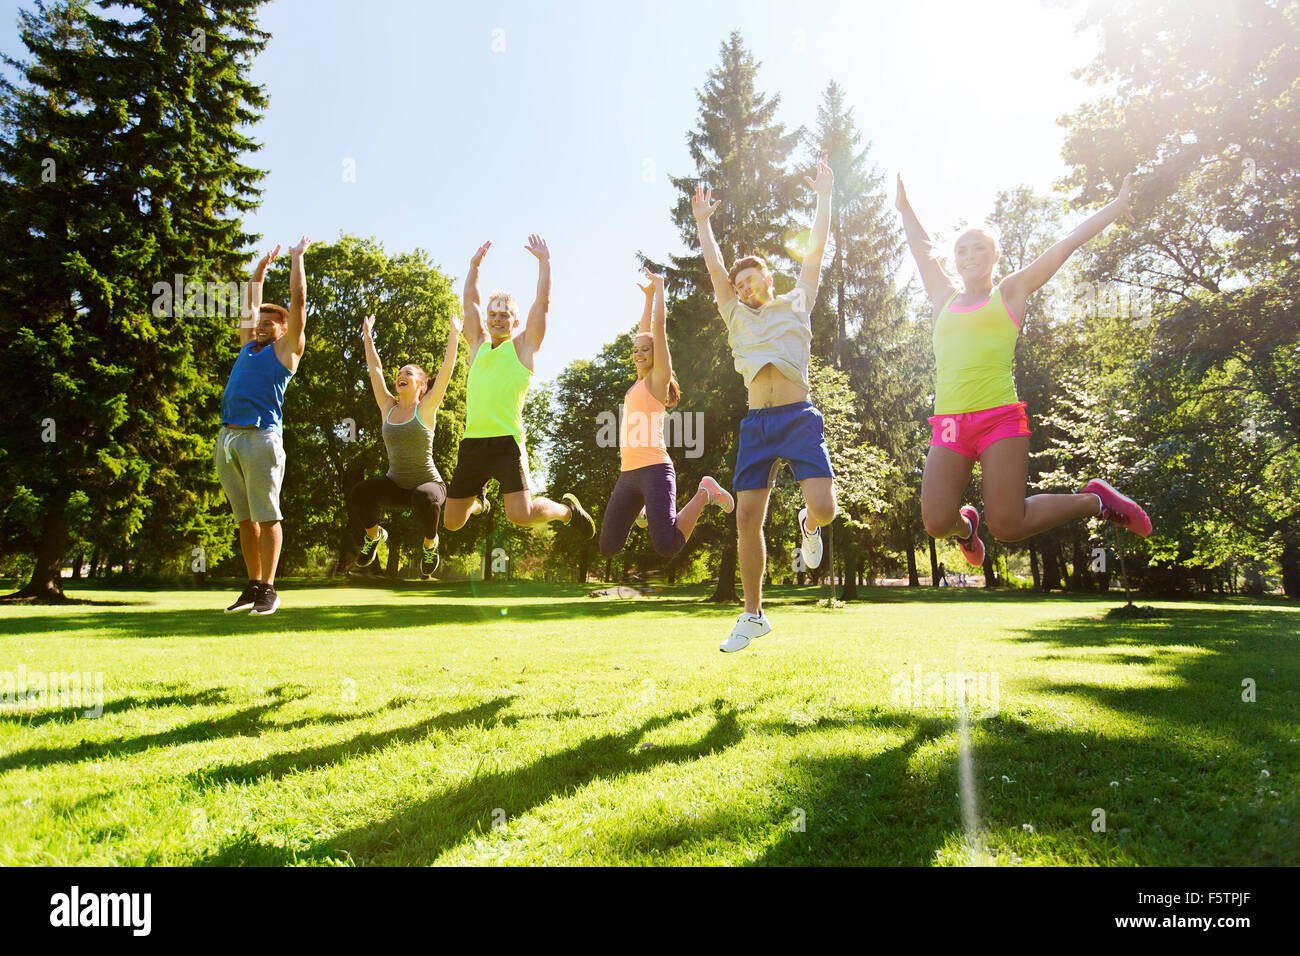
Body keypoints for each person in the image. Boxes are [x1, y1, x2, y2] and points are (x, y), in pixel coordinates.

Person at [896, 173, 1152, 569]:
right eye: (961, 250)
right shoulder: (942, 296)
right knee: (935, 522)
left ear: (995, 256)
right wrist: (905, 208)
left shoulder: (1011, 292)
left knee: (1008, 525)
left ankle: (1095, 500)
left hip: (999, 418)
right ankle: (966, 529)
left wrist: (1115, 208)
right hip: (949, 423)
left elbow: (1065, 244)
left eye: (978, 248)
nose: (968, 255)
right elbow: (920, 247)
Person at [693, 160, 837, 652]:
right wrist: (703, 224)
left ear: (769, 280)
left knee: (825, 508)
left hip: (798, 419)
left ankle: (808, 523)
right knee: (746, 519)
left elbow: (815, 253)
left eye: (754, 280)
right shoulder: (734, 314)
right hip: (757, 424)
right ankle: (753, 614)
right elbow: (714, 268)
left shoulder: (798, 302)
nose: (746, 287)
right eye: (740, 284)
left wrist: (823, 197)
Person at [442, 237, 595, 539]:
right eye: (493, 314)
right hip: (472, 443)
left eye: (504, 315)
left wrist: (544, 263)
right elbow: (471, 303)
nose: (497, 319)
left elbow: (543, 304)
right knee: (451, 522)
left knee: (520, 515)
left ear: (514, 321)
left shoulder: (524, 348)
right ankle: (479, 502)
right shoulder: (477, 346)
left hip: (506, 443)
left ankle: (567, 511)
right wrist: (473, 267)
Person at [598, 267, 734, 561]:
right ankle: (645, 507)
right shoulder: (637, 381)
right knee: (608, 546)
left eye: (645, 350)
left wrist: (660, 288)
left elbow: (657, 328)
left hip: (656, 471)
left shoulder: (657, 380)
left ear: (657, 352)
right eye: (635, 350)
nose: (638, 354)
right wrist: (647, 298)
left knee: (667, 545)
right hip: (628, 475)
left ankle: (705, 492)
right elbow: (645, 331)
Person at [215, 236, 311, 615]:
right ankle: (253, 585)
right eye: (258, 322)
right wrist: (259, 269)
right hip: (228, 439)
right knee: (244, 519)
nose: (259, 325)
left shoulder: (286, 351)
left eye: (269, 323)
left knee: (267, 514)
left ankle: (269, 589)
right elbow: (248, 304)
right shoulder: (246, 347)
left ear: (283, 329)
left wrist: (296, 259)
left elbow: (299, 303)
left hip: (261, 437)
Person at [345, 310, 459, 577]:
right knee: (359, 493)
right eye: (398, 374)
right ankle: (373, 537)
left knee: (424, 497)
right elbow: (375, 369)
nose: (400, 376)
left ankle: (430, 545)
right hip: (395, 485)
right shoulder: (388, 407)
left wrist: (454, 335)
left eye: (407, 373)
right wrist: (367, 337)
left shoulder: (427, 407)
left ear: (420, 384)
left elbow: (447, 371)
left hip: (428, 485)